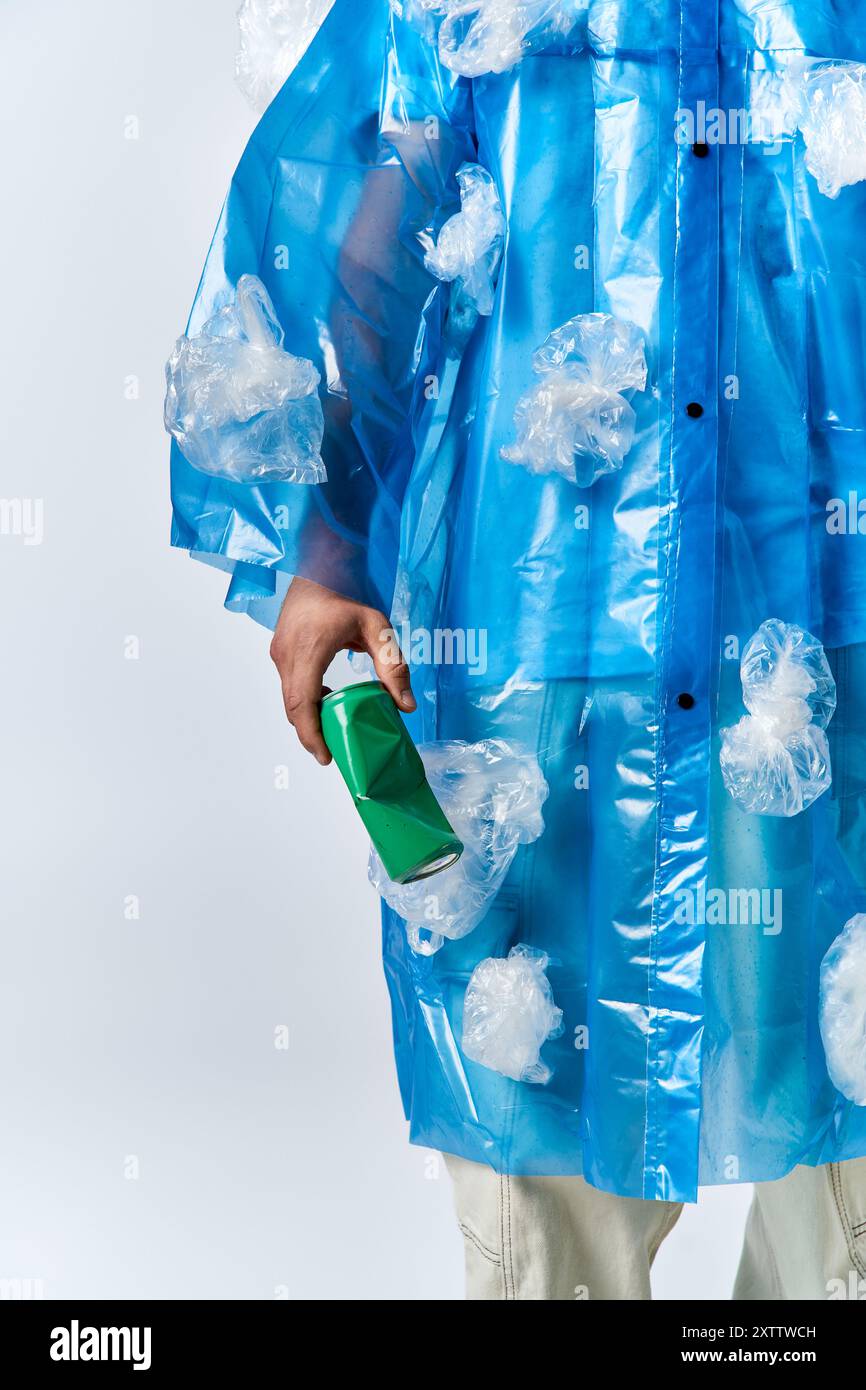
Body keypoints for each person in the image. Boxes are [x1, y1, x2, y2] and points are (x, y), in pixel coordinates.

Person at [169, 0, 866, 1299]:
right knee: (537, 1128)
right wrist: (325, 543)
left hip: (825, 606)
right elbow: (389, 197)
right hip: (547, 612)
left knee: (849, 1143)